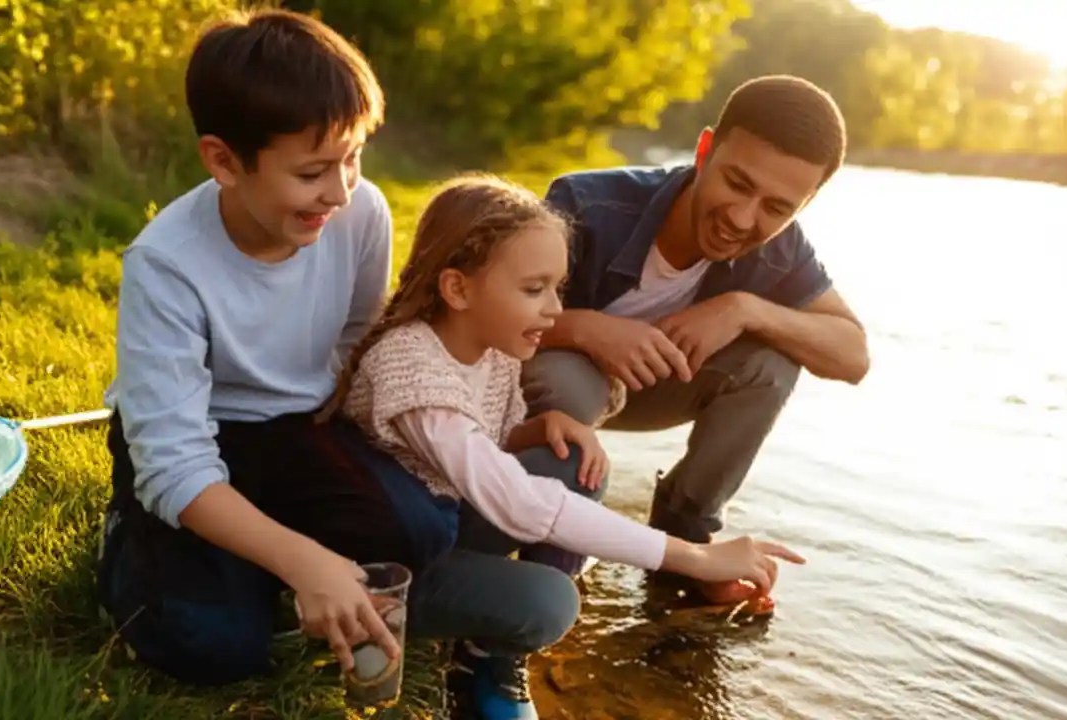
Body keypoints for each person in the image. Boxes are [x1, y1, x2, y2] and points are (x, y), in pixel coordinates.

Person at [96, 9, 579, 690]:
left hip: (304, 427)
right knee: (213, 648)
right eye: (313, 171)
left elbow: (358, 347)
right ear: (224, 161)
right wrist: (307, 562)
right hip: (203, 445)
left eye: (353, 158)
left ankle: (266, 567)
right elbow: (176, 465)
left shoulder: (360, 214)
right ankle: (130, 539)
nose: (340, 189)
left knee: (423, 530)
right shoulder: (166, 264)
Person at [324, 174, 805, 720]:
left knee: (574, 462)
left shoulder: (490, 346)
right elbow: (517, 503)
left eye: (557, 287)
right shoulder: (409, 367)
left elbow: (475, 449)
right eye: (534, 290)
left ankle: (488, 647)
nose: (555, 311)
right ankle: (478, 640)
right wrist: (696, 556)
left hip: (440, 518)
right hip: (382, 566)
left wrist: (538, 426)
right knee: (552, 602)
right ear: (457, 289)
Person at [525, 75, 870, 605]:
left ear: (806, 203)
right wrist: (587, 329)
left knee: (770, 365)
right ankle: (539, 569)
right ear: (705, 149)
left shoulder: (781, 250)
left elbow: (853, 356)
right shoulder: (585, 204)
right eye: (736, 183)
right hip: (548, 381)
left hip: (651, 389)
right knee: (569, 382)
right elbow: (482, 313)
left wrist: (743, 309)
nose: (742, 218)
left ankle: (688, 545)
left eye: (777, 208)